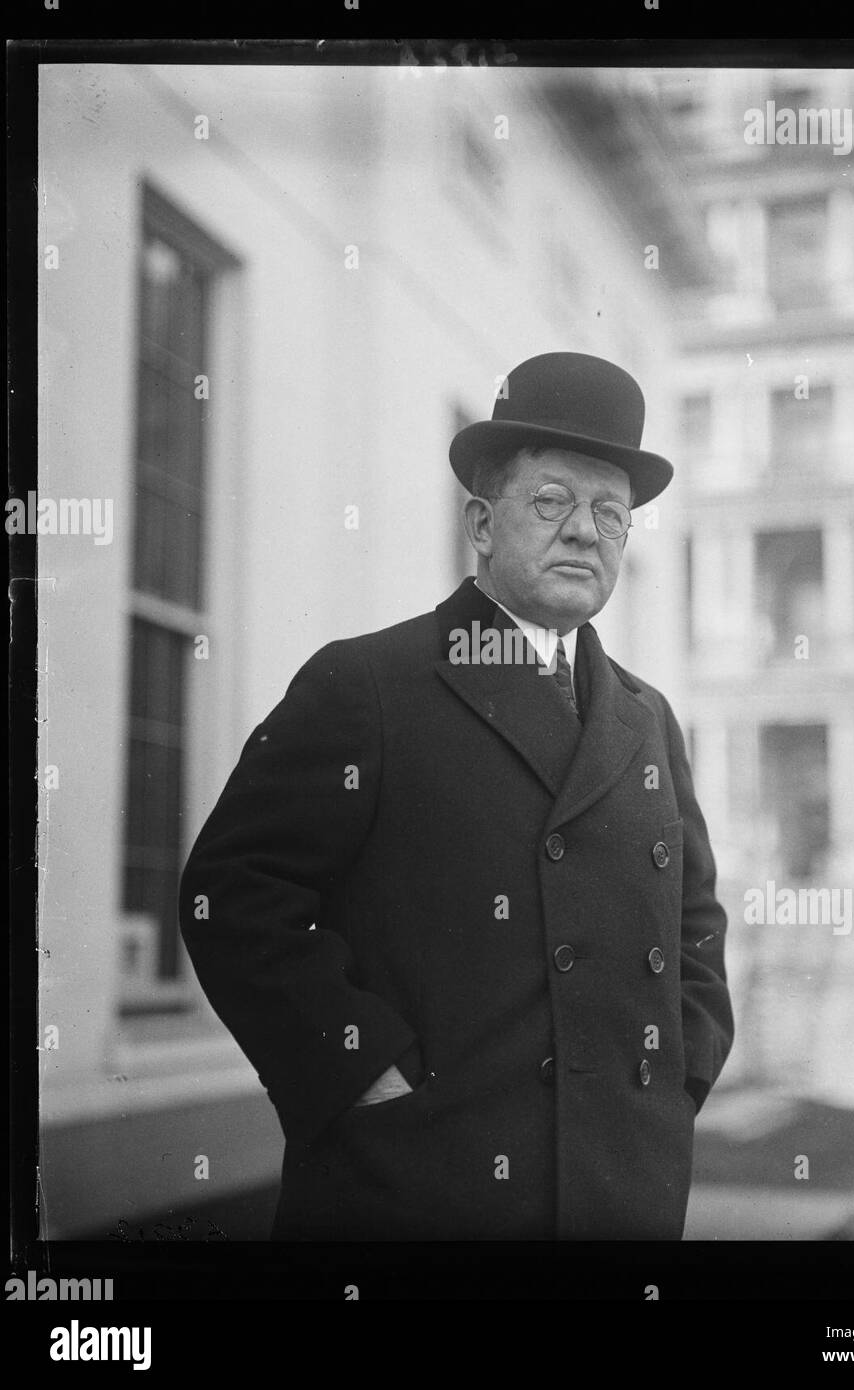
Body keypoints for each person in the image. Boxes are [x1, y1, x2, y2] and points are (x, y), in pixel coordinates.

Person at [179, 351, 733, 1240]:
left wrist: (675, 1080)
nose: (586, 532)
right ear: (480, 522)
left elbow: (694, 926)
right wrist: (365, 1076)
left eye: (611, 513)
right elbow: (234, 896)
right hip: (420, 1193)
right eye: (552, 501)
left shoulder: (648, 719)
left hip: (622, 1193)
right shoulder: (371, 683)